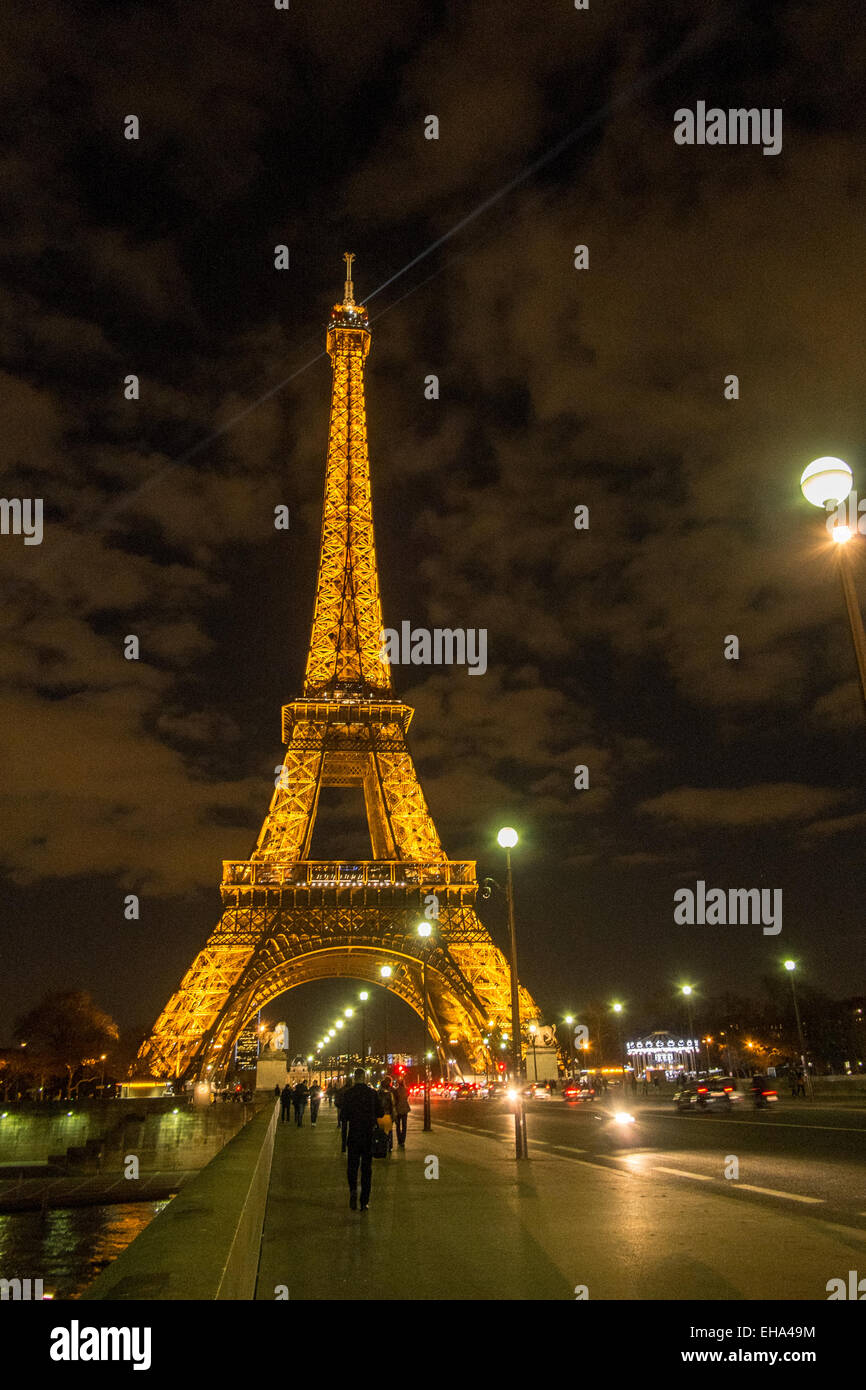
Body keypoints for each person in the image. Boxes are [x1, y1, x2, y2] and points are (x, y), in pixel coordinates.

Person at [341, 1067, 383, 1211]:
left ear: (354, 1078)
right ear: (365, 1078)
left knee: (352, 1166)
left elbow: (343, 1117)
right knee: (367, 1169)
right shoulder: (372, 1094)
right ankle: (364, 1201)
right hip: (368, 1135)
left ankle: (353, 1190)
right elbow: (381, 1113)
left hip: (354, 1135)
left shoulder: (348, 1094)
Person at [379, 1076, 396, 1152]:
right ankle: (390, 1146)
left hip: (380, 1115)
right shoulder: (390, 1093)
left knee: (381, 1131)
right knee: (389, 1131)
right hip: (388, 1114)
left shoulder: (378, 1093)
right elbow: (393, 1105)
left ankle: (382, 1145)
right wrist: (393, 1115)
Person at [393, 1078, 411, 1147]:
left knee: (398, 1125)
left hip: (398, 1109)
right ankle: (403, 1140)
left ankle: (399, 1139)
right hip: (405, 1108)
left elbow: (395, 1100)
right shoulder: (406, 1090)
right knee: (404, 1125)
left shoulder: (396, 1090)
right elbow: (407, 1096)